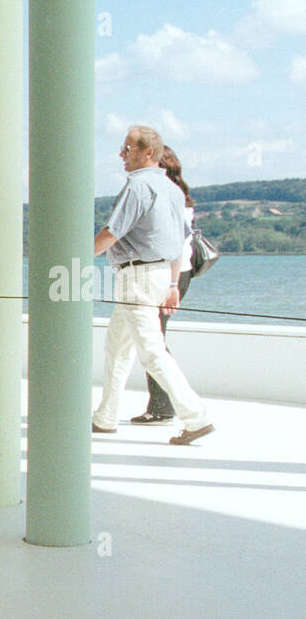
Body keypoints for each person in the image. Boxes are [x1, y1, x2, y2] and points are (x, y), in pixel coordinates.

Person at [91, 127, 213, 446]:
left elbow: (112, 232)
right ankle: (105, 417)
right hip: (159, 276)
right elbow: (177, 243)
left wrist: (73, 254)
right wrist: (173, 283)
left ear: (148, 153)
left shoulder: (139, 186)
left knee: (151, 352)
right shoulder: (172, 189)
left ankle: (196, 417)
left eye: (127, 149)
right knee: (117, 346)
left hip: (138, 278)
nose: (122, 154)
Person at [131, 145, 194, 425]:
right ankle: (162, 404)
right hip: (176, 274)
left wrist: (171, 284)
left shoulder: (167, 199)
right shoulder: (180, 198)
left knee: (154, 340)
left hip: (169, 275)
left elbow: (174, 245)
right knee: (152, 338)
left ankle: (164, 406)